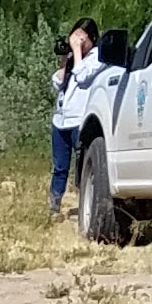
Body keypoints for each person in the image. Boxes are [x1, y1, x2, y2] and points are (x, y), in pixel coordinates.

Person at [49, 19, 107, 214]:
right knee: (59, 166)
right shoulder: (75, 58)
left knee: (83, 164)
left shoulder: (97, 57)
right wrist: (66, 59)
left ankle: (87, 204)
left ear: (91, 38)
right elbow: (57, 82)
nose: (77, 42)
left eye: (81, 37)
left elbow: (83, 76)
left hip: (79, 120)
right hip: (61, 119)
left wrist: (78, 52)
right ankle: (54, 204)